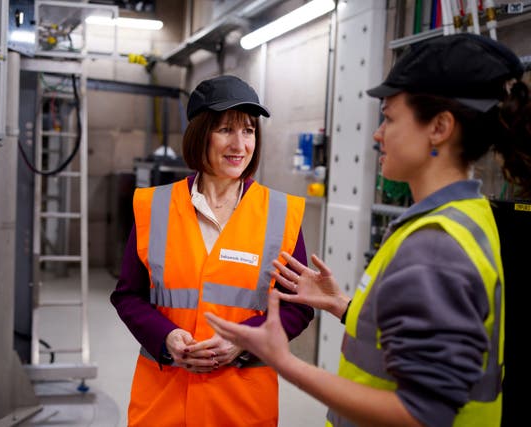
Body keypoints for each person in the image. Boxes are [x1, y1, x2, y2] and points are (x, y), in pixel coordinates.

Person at [206, 33, 531, 427]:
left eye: (390, 118)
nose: (378, 134)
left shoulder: (436, 245)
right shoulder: (468, 214)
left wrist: (283, 362)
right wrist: (341, 304)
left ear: (440, 128)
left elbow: (421, 413)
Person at [111, 74, 315, 427]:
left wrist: (244, 342)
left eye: (248, 131)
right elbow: (128, 296)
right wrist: (166, 337)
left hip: (241, 404)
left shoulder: (281, 214)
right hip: (163, 402)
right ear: (199, 135)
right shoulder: (155, 207)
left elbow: (298, 308)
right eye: (225, 130)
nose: (239, 144)